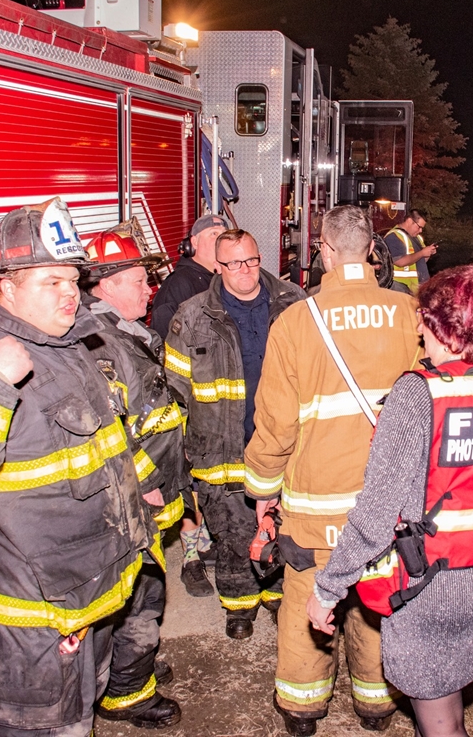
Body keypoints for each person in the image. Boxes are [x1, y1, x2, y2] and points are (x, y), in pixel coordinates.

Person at [0, 198, 153, 736]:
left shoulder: (69, 347)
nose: (72, 293)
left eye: (74, 279)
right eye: (52, 281)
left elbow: (102, 452)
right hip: (37, 624)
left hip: (91, 599)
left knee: (80, 719)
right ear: (5, 287)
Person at [305, 265, 473, 737]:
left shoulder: (418, 393)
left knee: (439, 719)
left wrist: (328, 589)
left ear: (448, 326)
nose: (418, 326)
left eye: (426, 317)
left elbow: (377, 510)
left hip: (429, 585)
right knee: (446, 698)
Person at [244, 205, 421, 735]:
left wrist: (262, 489)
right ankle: (376, 703)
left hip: (317, 507)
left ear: (324, 249)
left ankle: (302, 708)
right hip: (390, 502)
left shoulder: (296, 321)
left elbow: (276, 422)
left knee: (307, 598)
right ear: (371, 250)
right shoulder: (408, 312)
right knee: (379, 597)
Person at [164, 229, 305, 639]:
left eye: (252, 260)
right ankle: (239, 604)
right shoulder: (192, 317)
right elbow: (175, 390)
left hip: (285, 443)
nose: (245, 270)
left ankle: (277, 593)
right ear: (217, 266)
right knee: (231, 532)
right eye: (234, 263)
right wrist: (180, 451)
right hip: (220, 448)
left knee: (285, 524)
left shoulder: (294, 303)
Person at [81, 220, 190, 728]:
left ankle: (127, 665)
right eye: (138, 280)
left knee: (142, 591)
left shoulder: (121, 331)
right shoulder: (100, 345)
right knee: (139, 595)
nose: (151, 288)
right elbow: (111, 434)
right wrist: (145, 484)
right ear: (105, 285)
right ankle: (125, 691)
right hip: (135, 499)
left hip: (151, 490)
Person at [151, 213, 227, 597]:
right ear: (193, 243)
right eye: (212, 234)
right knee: (186, 484)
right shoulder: (179, 285)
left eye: (224, 234)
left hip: (216, 403)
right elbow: (164, 351)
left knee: (207, 480)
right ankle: (191, 560)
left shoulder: (220, 280)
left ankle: (207, 544)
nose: (220, 239)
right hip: (186, 404)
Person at [384, 208, 437, 292]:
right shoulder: (394, 236)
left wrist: (428, 253)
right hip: (400, 287)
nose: (420, 230)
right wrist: (422, 253)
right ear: (409, 221)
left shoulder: (418, 238)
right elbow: (399, 261)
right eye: (419, 227)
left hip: (415, 288)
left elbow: (419, 261)